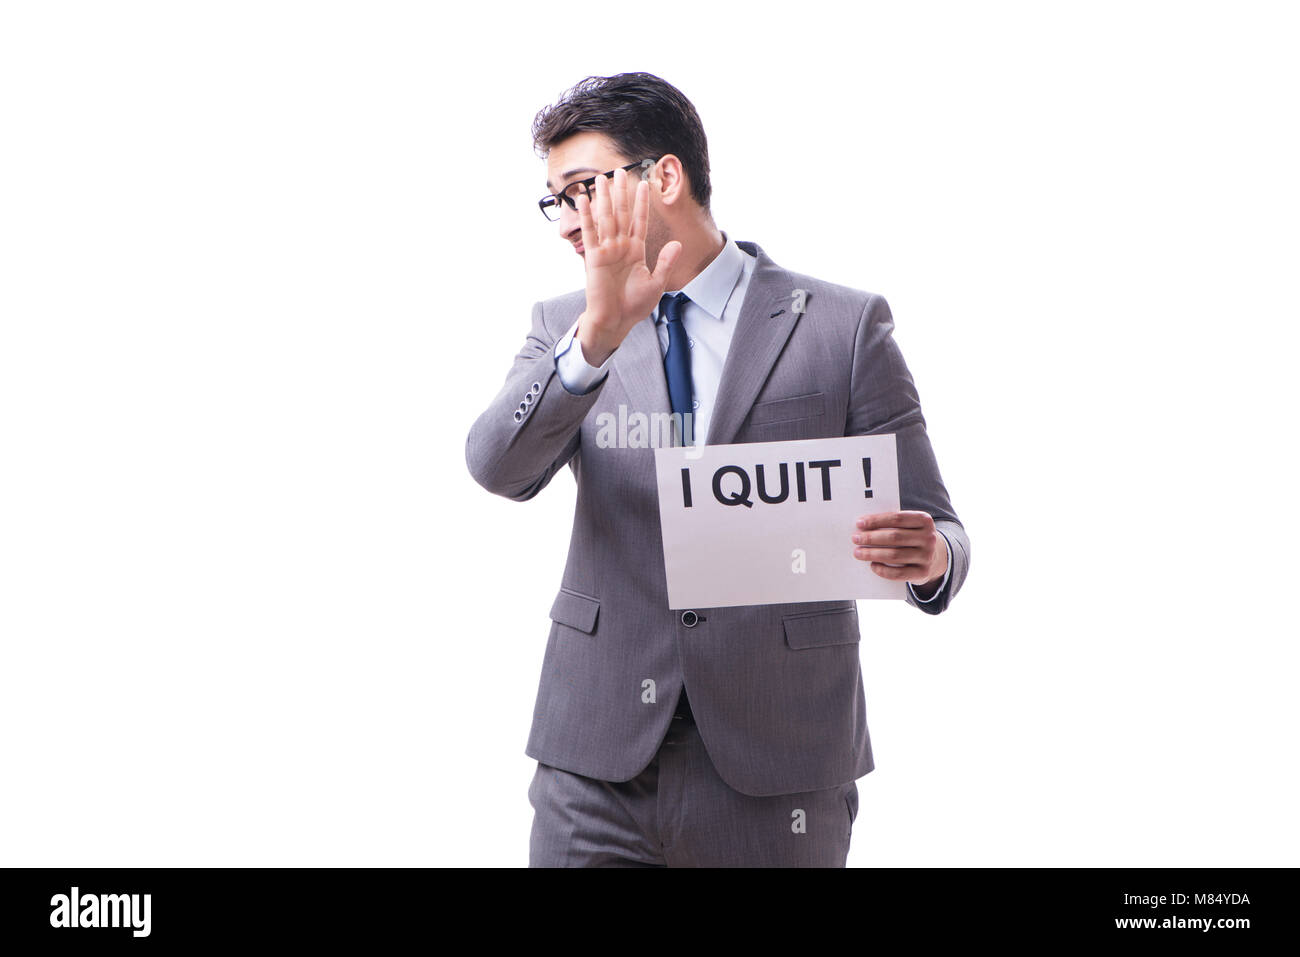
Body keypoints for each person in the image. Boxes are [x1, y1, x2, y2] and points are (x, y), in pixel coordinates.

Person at [465, 72, 969, 867]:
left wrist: (932, 558)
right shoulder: (565, 327)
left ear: (664, 176)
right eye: (553, 200)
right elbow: (497, 465)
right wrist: (597, 337)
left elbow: (938, 523)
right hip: (594, 762)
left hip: (779, 763)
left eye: (582, 190)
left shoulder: (842, 326)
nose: (566, 220)